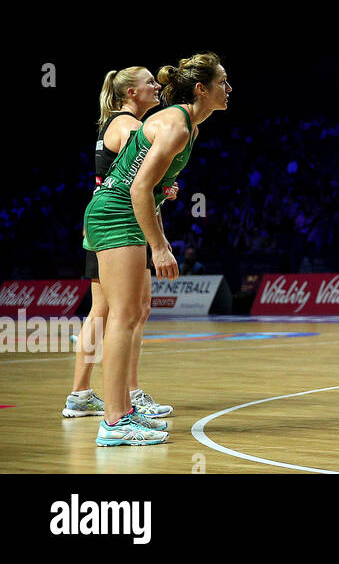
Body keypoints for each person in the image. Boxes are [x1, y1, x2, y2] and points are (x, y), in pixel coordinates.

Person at [82, 52, 231, 446]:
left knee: (129, 314)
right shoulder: (177, 127)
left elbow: (153, 192)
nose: (229, 89)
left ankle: (123, 410)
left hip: (123, 214)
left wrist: (158, 234)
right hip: (114, 215)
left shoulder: (190, 128)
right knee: (123, 316)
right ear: (202, 89)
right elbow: (137, 188)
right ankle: (113, 422)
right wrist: (160, 247)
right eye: (223, 83)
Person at [63, 68, 176, 422]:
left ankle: (83, 394)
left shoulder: (115, 123)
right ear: (130, 92)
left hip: (114, 225)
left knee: (112, 312)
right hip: (118, 226)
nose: (156, 87)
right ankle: (125, 396)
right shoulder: (126, 125)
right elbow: (144, 168)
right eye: (149, 83)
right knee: (125, 313)